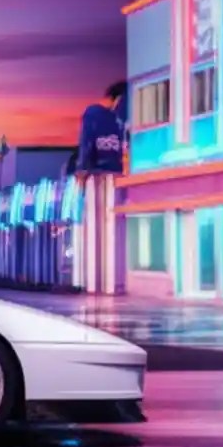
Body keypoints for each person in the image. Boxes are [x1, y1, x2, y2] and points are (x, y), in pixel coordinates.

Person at [75, 82, 128, 294]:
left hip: (100, 174)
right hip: (113, 174)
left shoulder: (95, 115)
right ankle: (107, 283)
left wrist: (82, 169)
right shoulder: (113, 119)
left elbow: (86, 143)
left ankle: (101, 283)